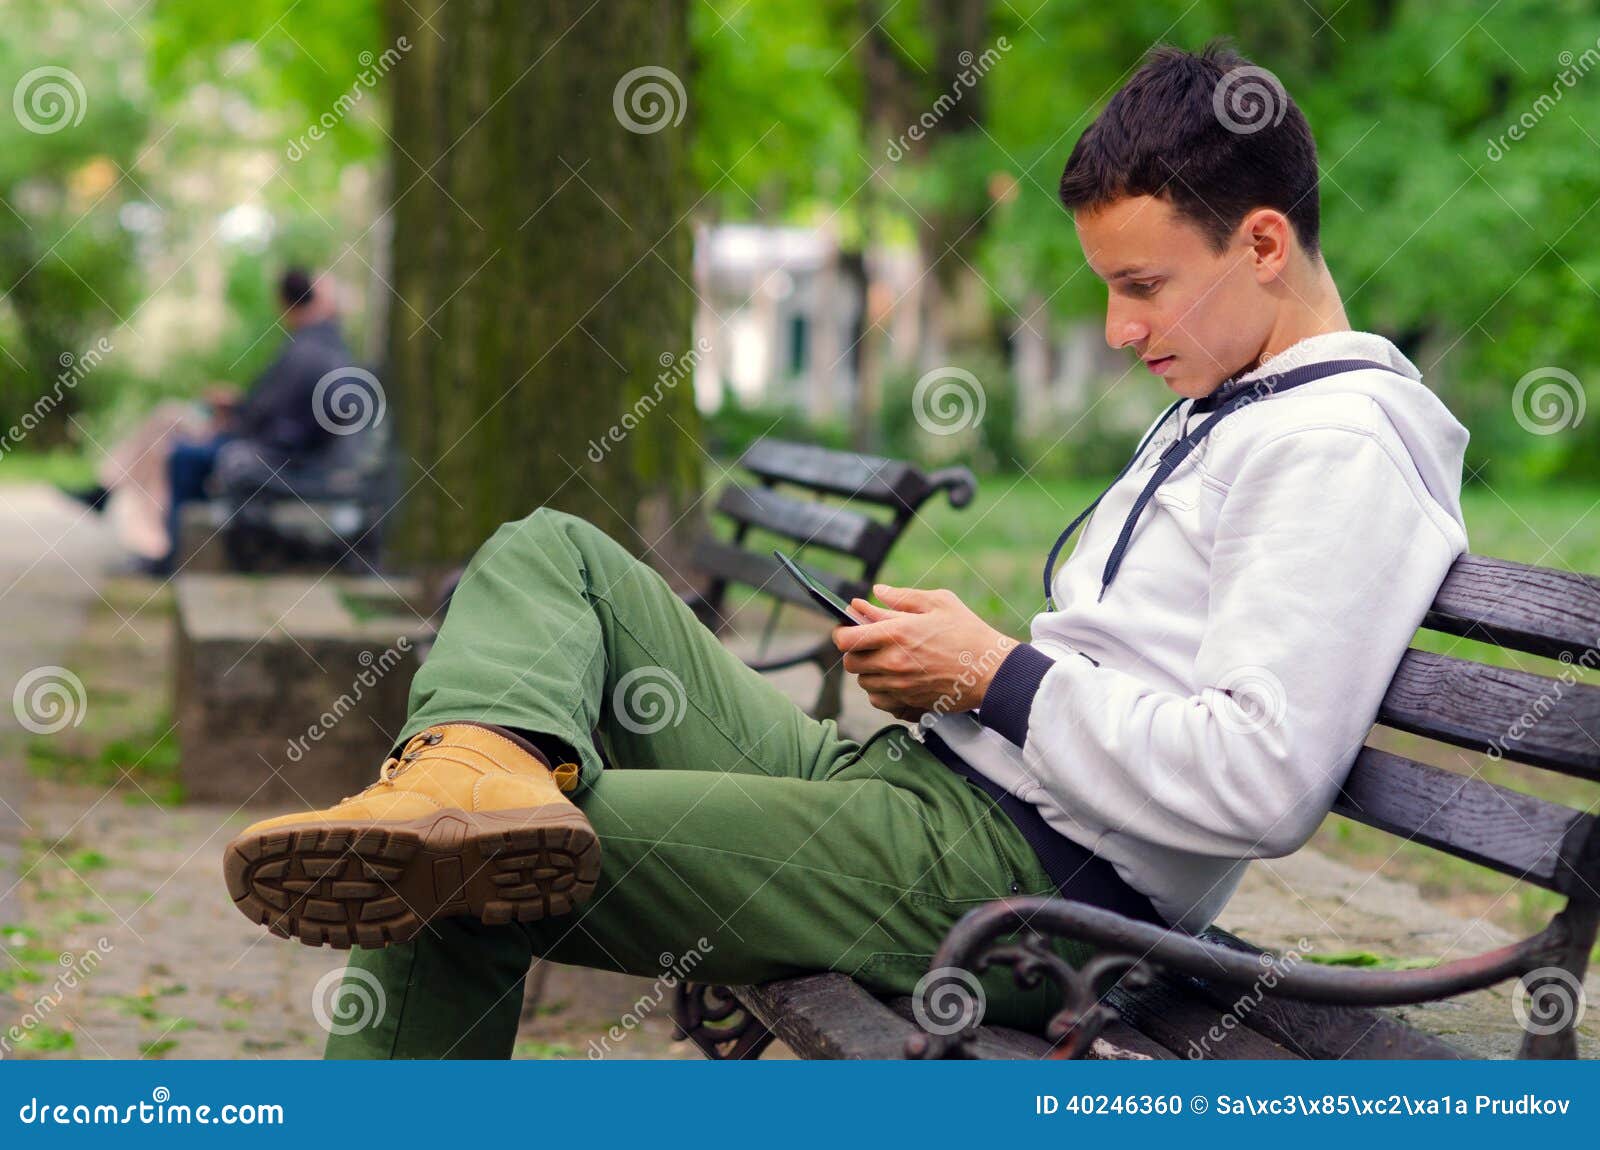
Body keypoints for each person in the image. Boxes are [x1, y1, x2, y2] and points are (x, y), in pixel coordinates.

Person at [221, 41, 1468, 1059]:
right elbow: (1127, 670)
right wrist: (958, 677)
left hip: (1030, 895)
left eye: (1141, 285)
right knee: (553, 554)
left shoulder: (1336, 446)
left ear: (1262, 244)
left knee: (452, 867)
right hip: (927, 803)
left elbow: (1261, 779)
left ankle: (452, 812)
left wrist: (992, 673)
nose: (1114, 327)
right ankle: (465, 767)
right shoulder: (1235, 400)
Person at [153, 268, 352, 573]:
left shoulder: (305, 350)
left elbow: (272, 418)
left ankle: (173, 559)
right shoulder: (327, 348)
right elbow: (280, 411)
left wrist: (232, 420)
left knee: (184, 455)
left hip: (281, 458)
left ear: (284, 303)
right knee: (177, 434)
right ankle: (173, 552)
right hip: (291, 452)